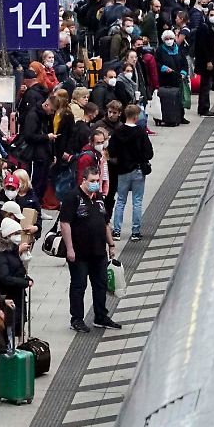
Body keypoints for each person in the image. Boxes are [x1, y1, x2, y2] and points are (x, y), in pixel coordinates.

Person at [60, 165, 122, 333]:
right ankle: (77, 319)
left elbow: (105, 223)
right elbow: (65, 223)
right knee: (79, 286)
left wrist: (111, 244)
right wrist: (70, 249)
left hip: (99, 251)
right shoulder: (73, 197)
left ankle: (101, 316)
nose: (96, 184)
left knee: (100, 284)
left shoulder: (99, 197)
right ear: (84, 180)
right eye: (93, 181)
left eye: (97, 180)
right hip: (80, 252)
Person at [109, 103, 154, 241]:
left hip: (122, 170)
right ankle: (135, 232)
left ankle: (117, 231)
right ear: (135, 116)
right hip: (138, 170)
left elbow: (112, 151)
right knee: (137, 201)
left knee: (121, 200)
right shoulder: (140, 132)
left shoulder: (117, 131)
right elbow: (148, 153)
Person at [0, 219, 32, 334]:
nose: (19, 236)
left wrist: (25, 279)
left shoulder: (12, 250)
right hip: (10, 295)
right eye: (16, 233)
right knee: (11, 326)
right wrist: (24, 282)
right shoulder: (1, 255)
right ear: (8, 235)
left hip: (17, 294)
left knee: (18, 323)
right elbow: (4, 277)